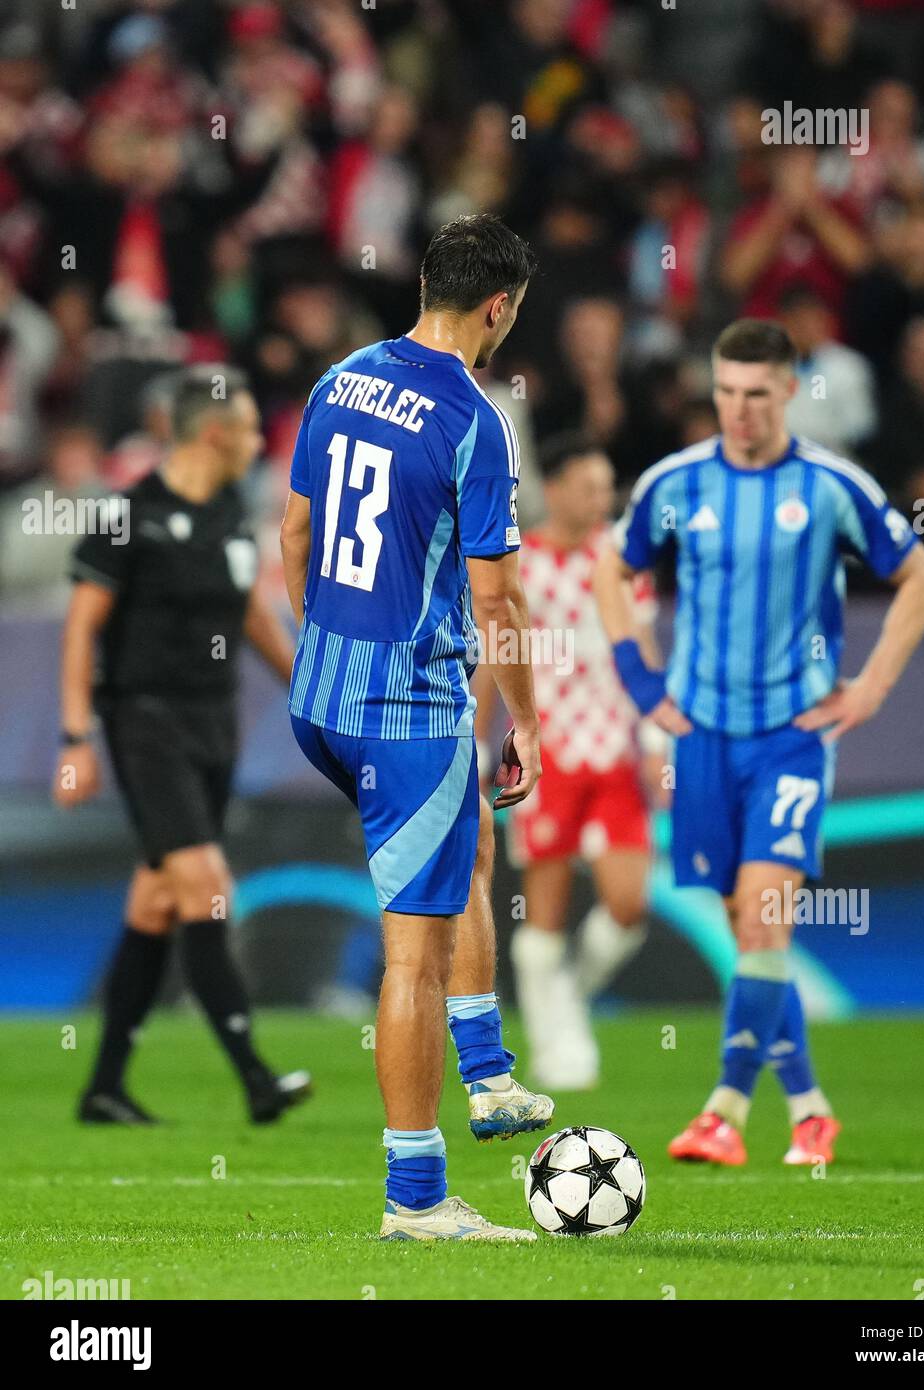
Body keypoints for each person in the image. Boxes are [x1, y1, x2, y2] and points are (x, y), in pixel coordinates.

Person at [595, 319, 924, 1167]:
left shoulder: (829, 486)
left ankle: (722, 1110)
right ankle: (811, 1107)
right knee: (753, 931)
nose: (739, 410)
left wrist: (871, 686)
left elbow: (921, 577)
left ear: (790, 391)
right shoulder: (677, 482)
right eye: (724, 392)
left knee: (762, 917)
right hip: (704, 737)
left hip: (791, 735)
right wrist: (644, 686)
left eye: (756, 394)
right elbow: (615, 568)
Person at [280, 213, 552, 1242]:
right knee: (411, 954)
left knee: (466, 845)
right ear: (497, 306)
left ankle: (486, 1075)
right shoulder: (476, 418)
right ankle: (417, 1197)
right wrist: (522, 721)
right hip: (408, 706)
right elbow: (499, 607)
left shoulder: (339, 377)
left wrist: (326, 646)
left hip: (323, 696)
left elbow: (295, 532)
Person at [55, 364, 309, 1125]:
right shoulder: (127, 517)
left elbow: (254, 618)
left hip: (212, 726)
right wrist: (76, 736)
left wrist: (313, 690)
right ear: (213, 434)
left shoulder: (230, 510)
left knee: (159, 899)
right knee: (207, 886)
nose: (261, 444)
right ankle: (256, 1077)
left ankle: (103, 1087)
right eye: (252, 431)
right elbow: (81, 631)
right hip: (145, 724)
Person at [473, 432, 659, 1090]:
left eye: (607, 487)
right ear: (552, 490)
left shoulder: (622, 560)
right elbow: (498, 654)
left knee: (628, 904)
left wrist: (659, 743)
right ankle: (554, 1041)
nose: (600, 499)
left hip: (612, 752)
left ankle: (567, 998)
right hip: (545, 757)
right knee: (543, 911)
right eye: (588, 487)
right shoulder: (518, 563)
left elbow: (641, 648)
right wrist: (477, 744)